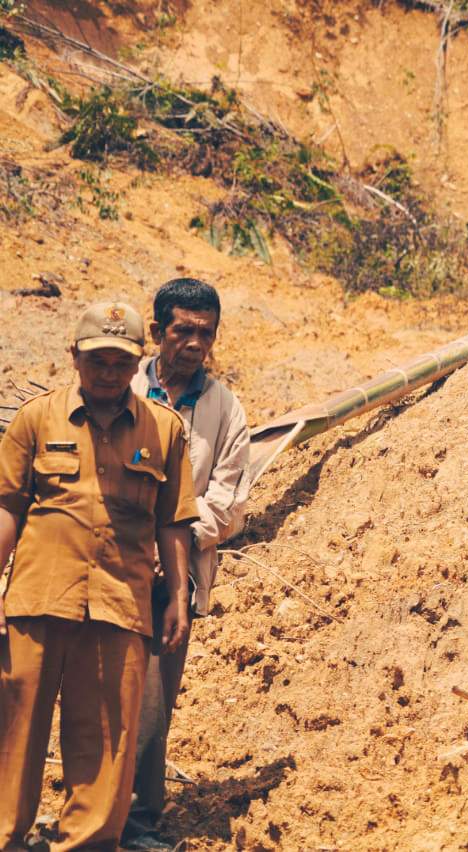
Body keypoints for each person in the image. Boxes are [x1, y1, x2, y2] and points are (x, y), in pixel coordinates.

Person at [0, 302, 198, 849]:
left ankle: (85, 843)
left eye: (121, 363)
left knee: (106, 740)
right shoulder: (35, 420)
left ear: (138, 362)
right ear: (75, 358)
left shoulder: (164, 430)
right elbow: (8, 507)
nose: (109, 374)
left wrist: (178, 596)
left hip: (121, 603)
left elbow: (174, 521)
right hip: (39, 597)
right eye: (98, 362)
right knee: (14, 730)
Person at [121, 279, 251, 850]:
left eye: (206, 332)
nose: (196, 343)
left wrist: (172, 537)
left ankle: (138, 819)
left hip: (173, 576)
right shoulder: (118, 384)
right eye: (183, 330)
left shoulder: (224, 408)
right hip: (105, 563)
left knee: (153, 699)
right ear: (157, 333)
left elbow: (228, 501)